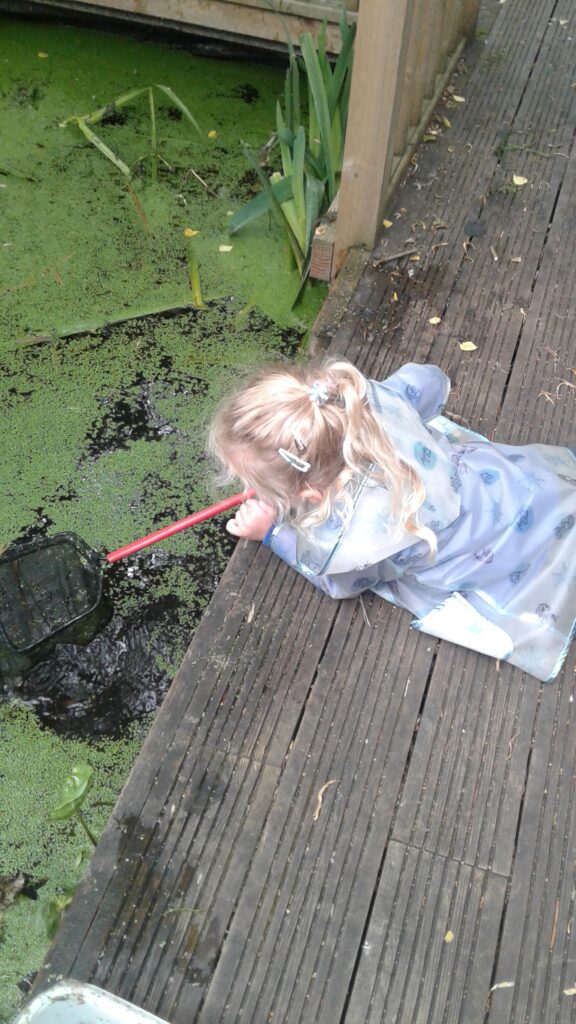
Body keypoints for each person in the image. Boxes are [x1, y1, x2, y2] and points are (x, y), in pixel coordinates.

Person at [209, 359, 576, 682]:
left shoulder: (363, 538)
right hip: (505, 489)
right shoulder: (358, 412)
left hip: (491, 558)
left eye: (253, 483)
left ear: (309, 496)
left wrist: (273, 533)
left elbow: (340, 583)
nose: (247, 488)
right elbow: (430, 381)